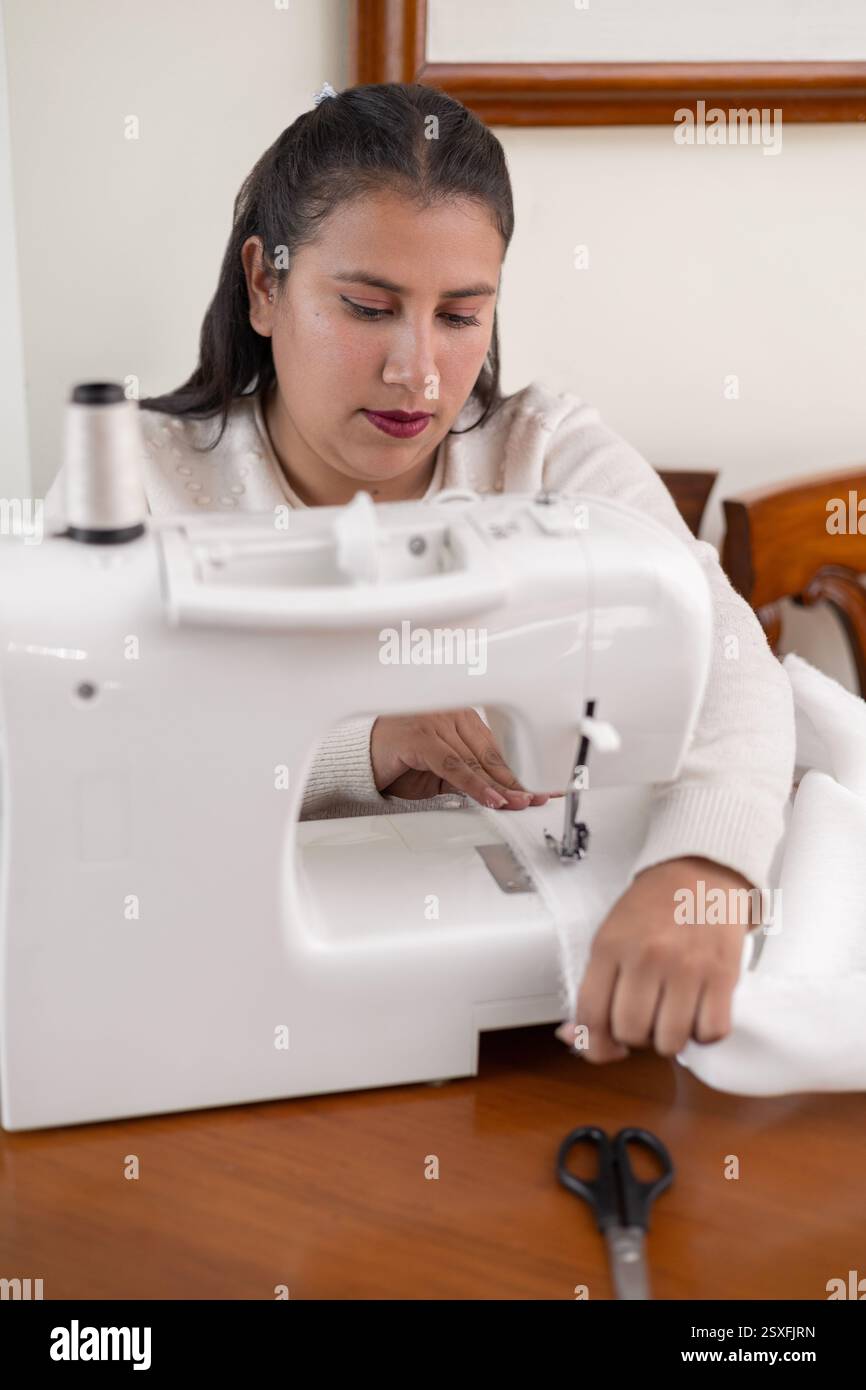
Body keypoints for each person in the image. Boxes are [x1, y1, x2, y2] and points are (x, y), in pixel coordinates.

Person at [42, 81, 796, 1067]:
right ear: (264, 286)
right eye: (367, 307)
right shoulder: (138, 483)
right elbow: (81, 754)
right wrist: (370, 746)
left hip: (532, 1039)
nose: (420, 373)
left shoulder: (545, 453)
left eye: (459, 315)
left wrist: (701, 867)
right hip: (218, 1017)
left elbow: (728, 658)